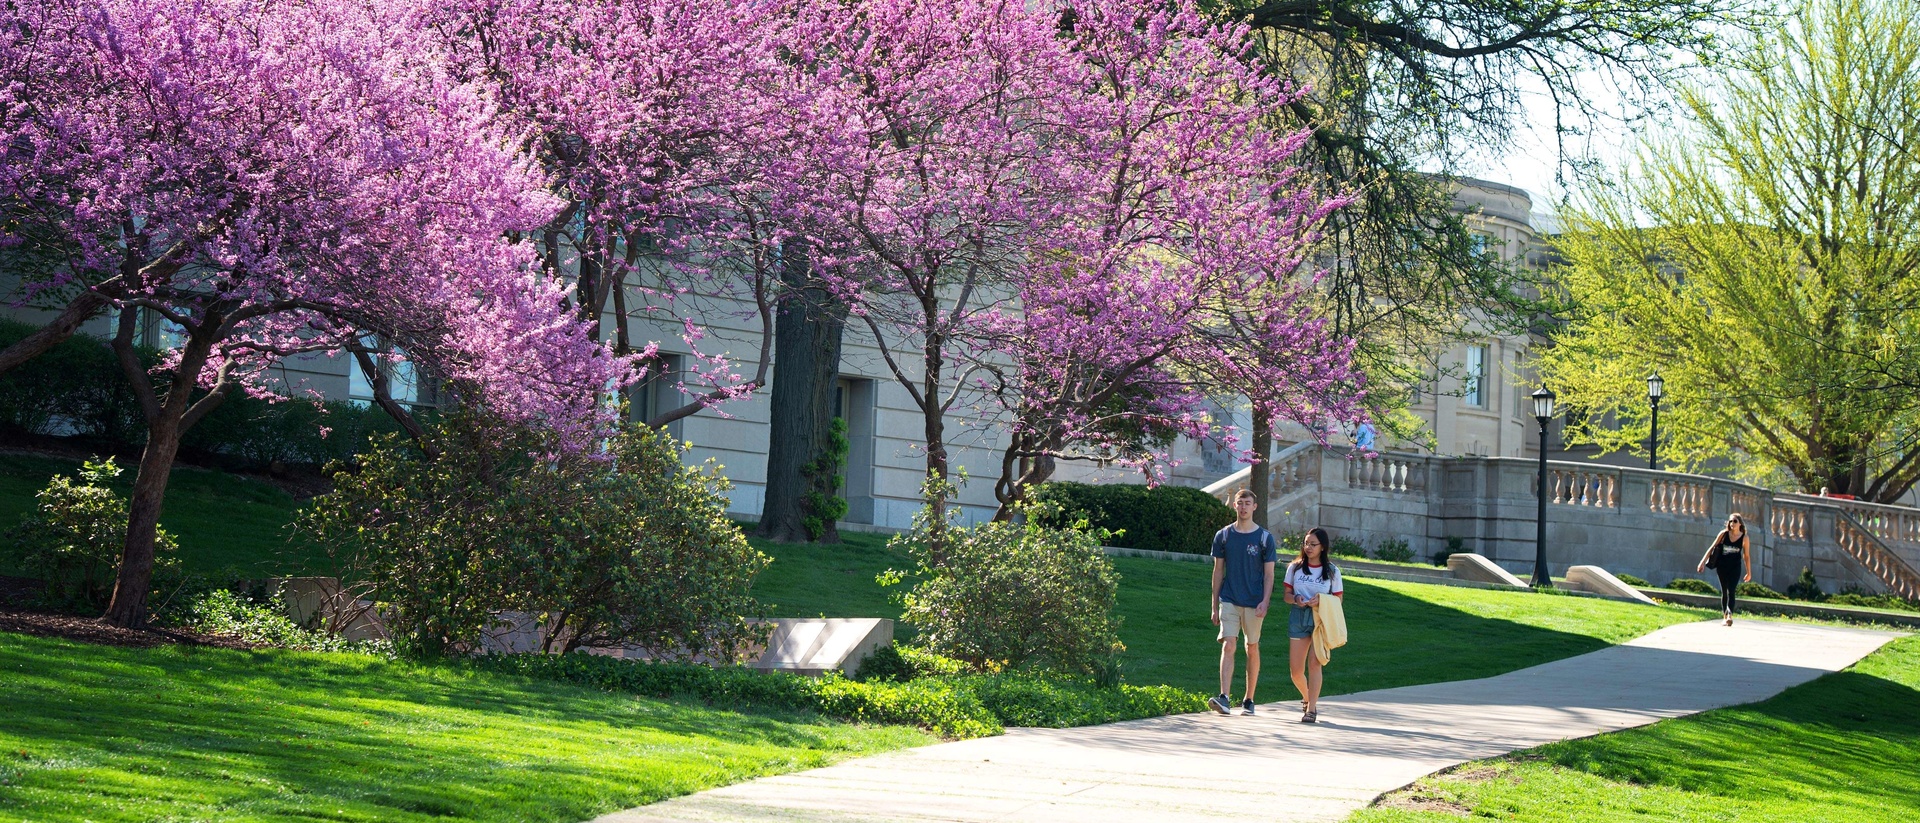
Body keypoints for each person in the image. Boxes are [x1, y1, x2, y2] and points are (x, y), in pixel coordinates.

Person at [1208, 488, 1277, 716]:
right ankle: (1224, 697)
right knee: (1229, 644)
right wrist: (1214, 605)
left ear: (1255, 507)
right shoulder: (1224, 536)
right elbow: (1218, 571)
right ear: (1235, 505)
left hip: (1254, 601)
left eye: (1248, 503)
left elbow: (1269, 575)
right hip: (1229, 599)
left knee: (1252, 647)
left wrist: (1265, 601)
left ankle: (1249, 699)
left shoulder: (1265, 538)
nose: (1244, 507)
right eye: (1240, 503)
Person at [1285, 527, 1343, 723]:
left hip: (1321, 618)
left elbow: (1338, 600)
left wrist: (1321, 600)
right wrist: (1296, 599)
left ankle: (1311, 710)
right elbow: (1286, 596)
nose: (1308, 547)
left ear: (1323, 547)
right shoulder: (1295, 568)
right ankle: (1308, 698)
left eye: (1313, 544)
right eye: (1306, 543)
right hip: (1299, 616)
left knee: (1315, 663)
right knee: (1296, 671)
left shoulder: (1333, 571)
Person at [1696, 513, 1753, 626]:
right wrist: (1702, 562)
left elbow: (1746, 556)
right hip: (1722, 566)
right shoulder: (1723, 534)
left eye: (1735, 521)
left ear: (1740, 523)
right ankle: (1724, 616)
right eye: (1730, 521)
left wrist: (1749, 572)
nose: (1732, 523)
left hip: (1735, 567)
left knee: (1731, 590)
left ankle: (1730, 616)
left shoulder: (1744, 537)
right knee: (1724, 591)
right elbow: (1712, 547)